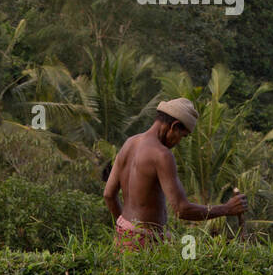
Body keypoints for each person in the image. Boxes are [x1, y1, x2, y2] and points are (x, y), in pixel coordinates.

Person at [103, 98, 247, 251]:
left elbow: (108, 195)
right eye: (182, 136)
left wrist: (128, 228)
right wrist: (227, 209)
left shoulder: (129, 143)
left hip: (123, 236)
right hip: (144, 244)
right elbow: (182, 209)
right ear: (174, 126)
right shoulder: (161, 155)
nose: (179, 142)